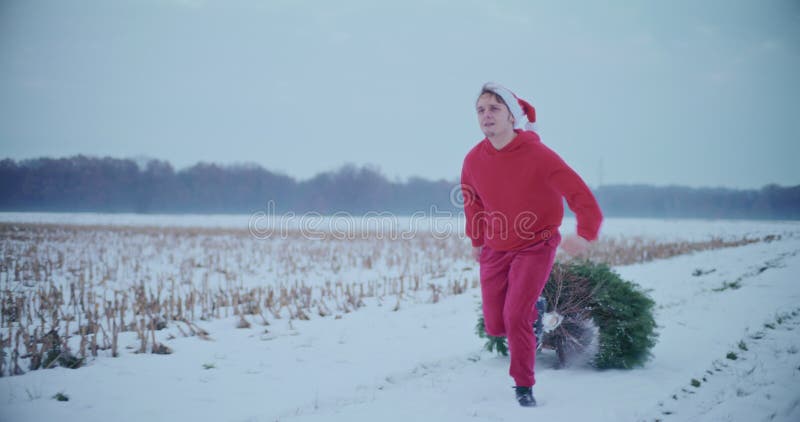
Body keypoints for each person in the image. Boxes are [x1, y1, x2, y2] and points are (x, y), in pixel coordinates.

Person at [460, 82, 603, 407]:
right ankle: (536, 309)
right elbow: (473, 203)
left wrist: (584, 233)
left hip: (535, 245)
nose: (486, 115)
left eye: (494, 109)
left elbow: (579, 194)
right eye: (481, 110)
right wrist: (477, 239)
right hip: (496, 246)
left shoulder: (539, 155)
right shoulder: (473, 159)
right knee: (496, 324)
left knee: (515, 317)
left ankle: (523, 385)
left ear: (512, 117)